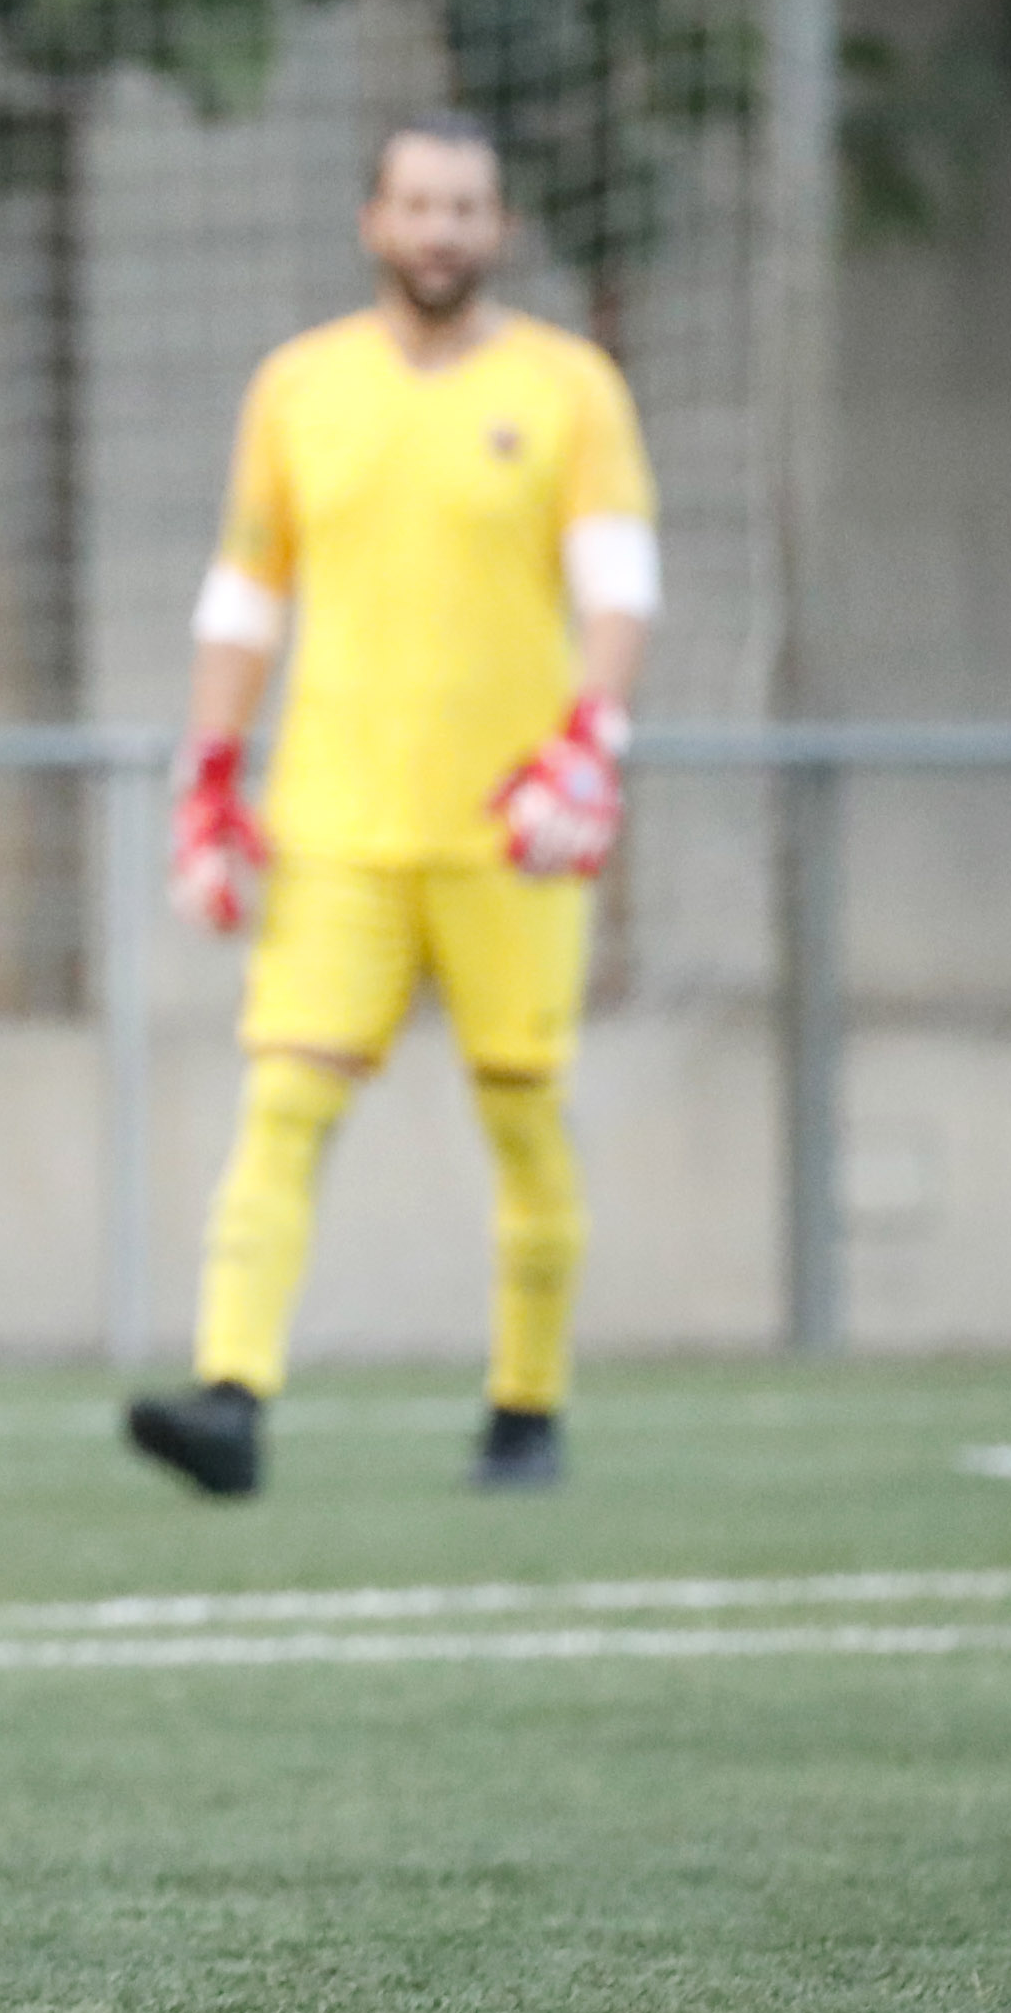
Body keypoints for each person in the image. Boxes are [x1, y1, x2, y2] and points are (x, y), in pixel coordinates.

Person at [126, 112, 661, 1500]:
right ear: (372, 221)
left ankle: (524, 1411)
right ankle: (230, 1399)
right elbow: (246, 596)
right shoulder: (297, 388)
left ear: (497, 228)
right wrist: (206, 776)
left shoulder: (569, 388)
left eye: (464, 207)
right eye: (417, 205)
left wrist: (589, 743)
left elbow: (616, 587)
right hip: (335, 822)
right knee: (284, 1102)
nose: (440, 230)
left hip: (509, 825)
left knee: (522, 1112)